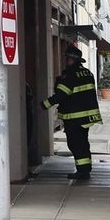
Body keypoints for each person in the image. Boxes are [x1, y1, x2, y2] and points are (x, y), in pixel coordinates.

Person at [41, 46, 102, 180]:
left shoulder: (70, 75)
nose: (66, 61)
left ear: (71, 59)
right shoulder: (87, 73)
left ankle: (82, 171)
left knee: (75, 144)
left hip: (75, 117)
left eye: (67, 58)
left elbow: (61, 95)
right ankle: (85, 169)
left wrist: (44, 104)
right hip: (86, 117)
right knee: (83, 143)